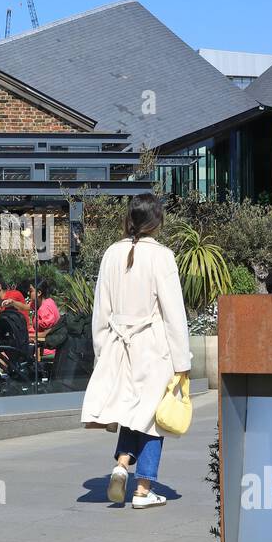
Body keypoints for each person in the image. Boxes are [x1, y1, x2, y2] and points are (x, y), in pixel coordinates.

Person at [82, 192, 191, 510]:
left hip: (119, 345)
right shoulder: (162, 256)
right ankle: (143, 489)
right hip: (153, 347)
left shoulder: (111, 254)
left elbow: (100, 308)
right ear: (158, 221)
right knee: (154, 418)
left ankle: (121, 464)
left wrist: (102, 349)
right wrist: (182, 360)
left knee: (132, 413)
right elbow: (173, 312)